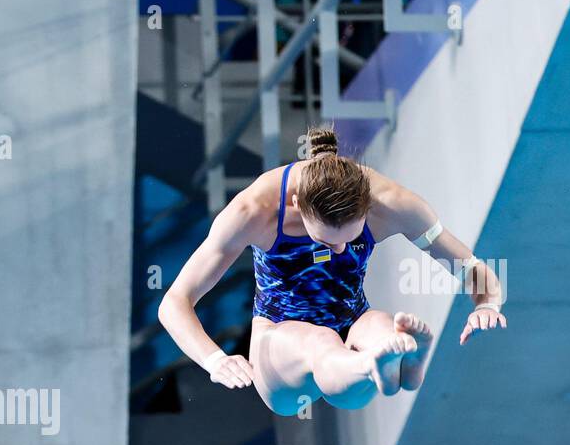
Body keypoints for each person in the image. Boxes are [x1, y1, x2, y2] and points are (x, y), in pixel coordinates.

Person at [157, 125, 506, 416]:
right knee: (321, 343)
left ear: (367, 204)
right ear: (297, 205)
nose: (338, 250)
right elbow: (175, 301)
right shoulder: (254, 211)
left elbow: (470, 267)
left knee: (382, 327)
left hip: (354, 319)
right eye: (326, 241)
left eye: (349, 239)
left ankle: (389, 361)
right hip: (278, 337)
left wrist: (487, 304)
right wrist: (213, 359)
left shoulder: (394, 204)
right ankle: (378, 365)